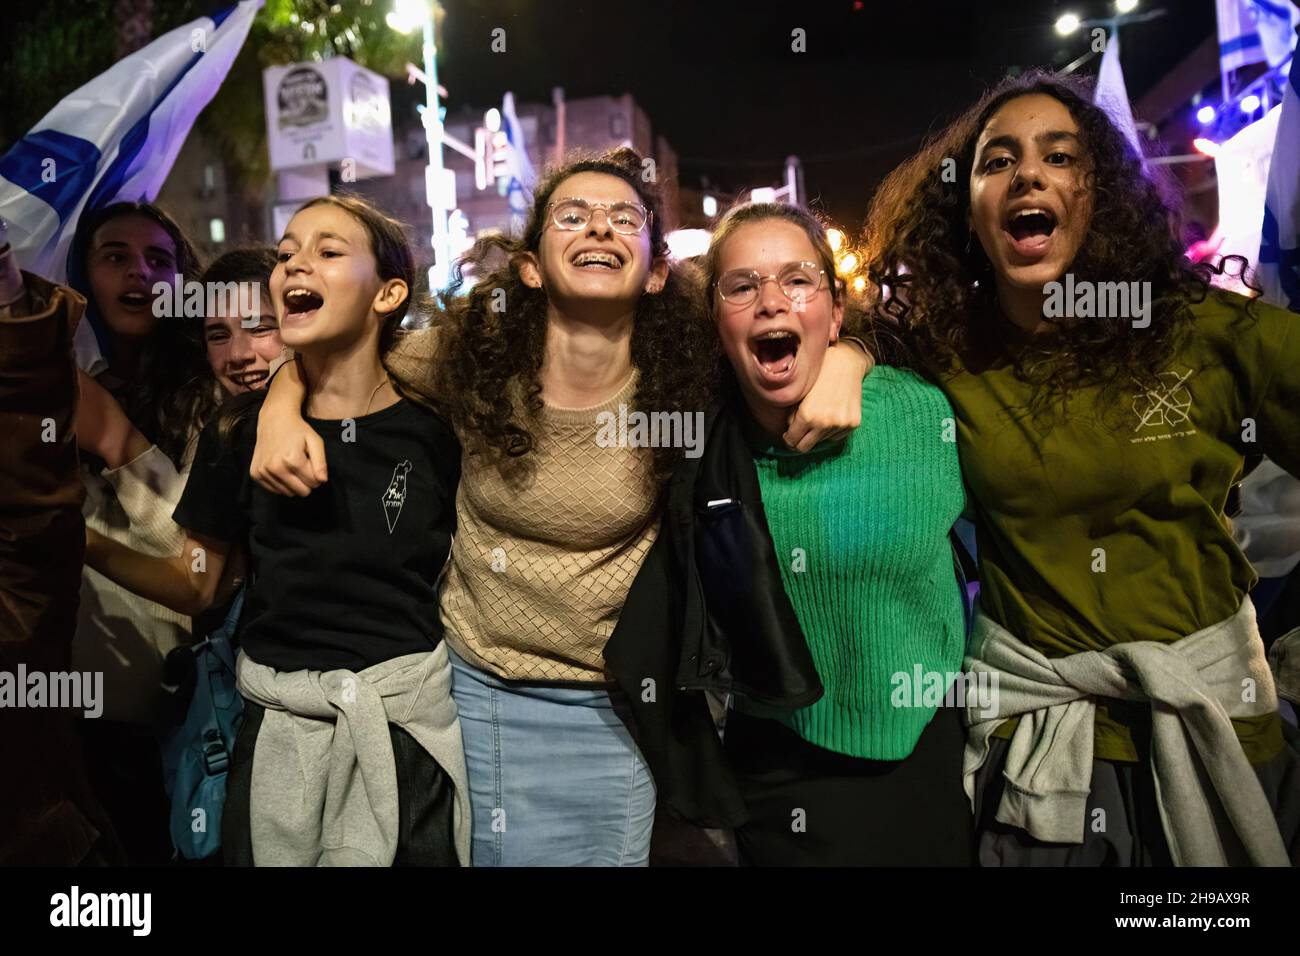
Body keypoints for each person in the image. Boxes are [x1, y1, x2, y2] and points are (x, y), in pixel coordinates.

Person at [249, 148, 871, 866]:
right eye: (572, 217)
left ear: (658, 268)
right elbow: (344, 352)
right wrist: (280, 398)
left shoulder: (689, 375)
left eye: (623, 219)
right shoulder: (470, 356)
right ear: (532, 266)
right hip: (469, 695)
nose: (598, 229)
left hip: (608, 712)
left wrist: (851, 356)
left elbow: (800, 334)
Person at [862, 70, 1300, 865]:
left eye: (1059, 157)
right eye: (997, 162)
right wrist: (848, 354)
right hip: (1048, 774)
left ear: (1099, 194)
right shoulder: (944, 360)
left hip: (1221, 737)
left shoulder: (1203, 332)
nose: (1028, 173)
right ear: (966, 212)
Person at [85, 195, 470, 866]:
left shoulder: (436, 427)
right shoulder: (234, 433)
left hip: (403, 732)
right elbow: (197, 584)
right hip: (277, 731)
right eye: (287, 251)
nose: (296, 263)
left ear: (390, 293)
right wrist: (82, 542)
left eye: (327, 251)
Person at [67, 201, 212, 864]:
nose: (141, 273)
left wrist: (120, 446)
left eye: (160, 259)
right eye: (115, 256)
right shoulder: (54, 393)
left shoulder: (216, 392)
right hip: (77, 726)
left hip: (191, 722)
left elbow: (199, 568)